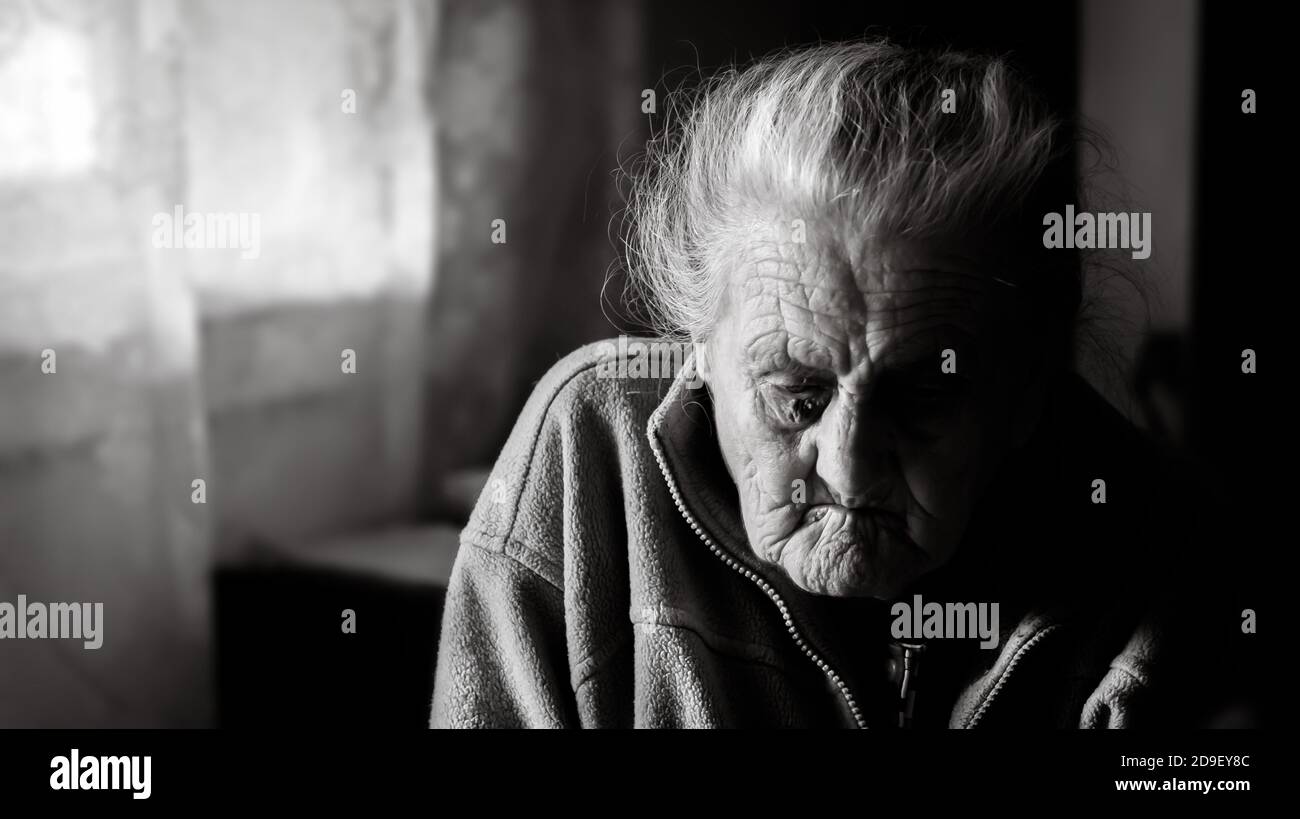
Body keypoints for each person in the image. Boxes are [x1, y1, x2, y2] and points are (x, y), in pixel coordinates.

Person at [429, 39, 1234, 728]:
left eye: (922, 396)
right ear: (699, 350)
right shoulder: (586, 453)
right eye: (797, 396)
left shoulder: (1155, 543)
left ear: (1026, 393)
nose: (848, 471)